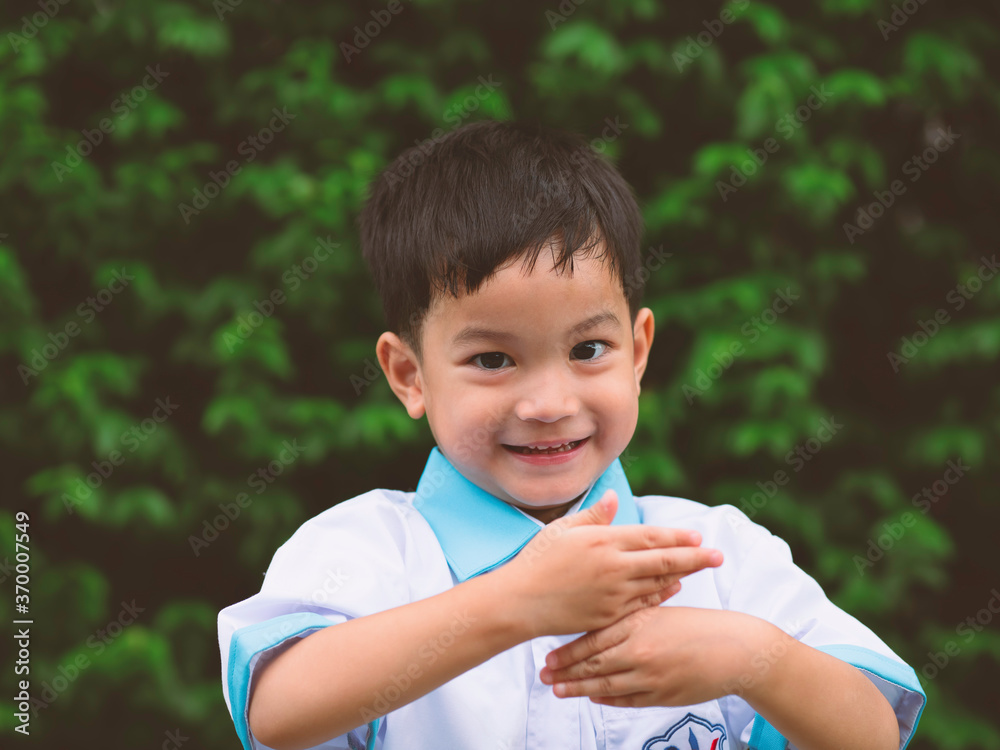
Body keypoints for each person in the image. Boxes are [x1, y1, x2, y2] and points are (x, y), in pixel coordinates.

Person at [217, 119, 925, 750]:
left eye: (588, 350)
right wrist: (516, 601)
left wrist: (750, 656)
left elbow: (871, 732)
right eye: (493, 360)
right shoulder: (365, 553)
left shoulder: (715, 560)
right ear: (409, 375)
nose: (550, 402)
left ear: (639, 352)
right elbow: (277, 710)